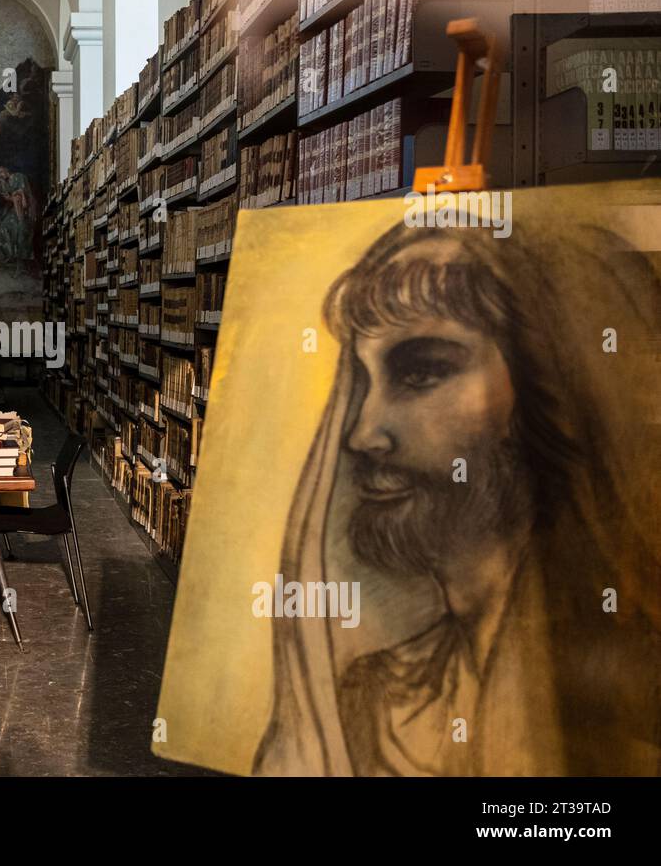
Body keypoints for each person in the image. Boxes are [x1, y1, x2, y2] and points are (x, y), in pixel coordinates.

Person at [253, 218, 661, 776]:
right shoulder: (376, 701)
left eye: (422, 372)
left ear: (548, 385)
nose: (362, 434)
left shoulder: (637, 706)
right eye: (360, 382)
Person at [0, 166, 36, 262]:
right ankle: (11, 253)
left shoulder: (18, 176)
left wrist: (19, 196)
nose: (0, 175)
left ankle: (20, 255)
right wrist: (7, 197)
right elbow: (11, 199)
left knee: (19, 228)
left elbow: (24, 194)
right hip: (15, 209)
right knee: (4, 227)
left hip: (25, 208)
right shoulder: (6, 185)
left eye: (1, 173)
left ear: (6, 170)